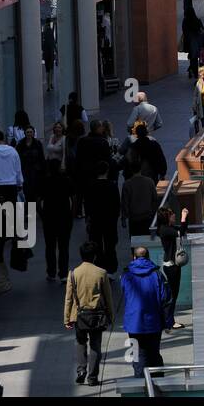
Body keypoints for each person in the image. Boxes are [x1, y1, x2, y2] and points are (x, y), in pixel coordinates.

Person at [64, 241, 114, 387]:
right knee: (95, 345)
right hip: (97, 315)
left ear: (81, 255)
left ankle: (81, 370)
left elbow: (68, 298)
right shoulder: (101, 273)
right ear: (95, 256)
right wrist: (111, 316)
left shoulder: (73, 273)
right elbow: (108, 297)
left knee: (80, 343)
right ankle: (92, 377)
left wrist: (67, 318)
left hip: (79, 315)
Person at [121, 245, 170, 378]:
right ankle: (158, 382)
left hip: (134, 323)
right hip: (154, 322)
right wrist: (168, 322)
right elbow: (165, 299)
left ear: (134, 257)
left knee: (138, 355)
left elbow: (125, 292)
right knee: (154, 353)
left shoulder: (126, 275)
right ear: (148, 256)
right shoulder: (157, 274)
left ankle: (140, 381)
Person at [38, 159, 74, 281]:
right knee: (64, 246)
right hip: (64, 216)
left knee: (50, 246)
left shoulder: (44, 181)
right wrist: (71, 214)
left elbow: (39, 200)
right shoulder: (67, 180)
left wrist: (42, 215)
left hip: (49, 217)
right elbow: (73, 197)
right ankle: (63, 273)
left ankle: (51, 272)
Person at [85, 163, 120, 275]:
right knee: (110, 245)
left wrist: (88, 217)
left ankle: (98, 265)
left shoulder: (91, 185)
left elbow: (87, 203)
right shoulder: (112, 186)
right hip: (109, 219)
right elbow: (117, 204)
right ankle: (111, 268)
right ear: (107, 171)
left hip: (95, 219)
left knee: (96, 244)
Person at [156, 207, 188, 331]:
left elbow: (183, 229)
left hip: (172, 265)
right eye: (171, 214)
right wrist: (183, 217)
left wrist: (185, 219)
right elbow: (181, 232)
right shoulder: (165, 230)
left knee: (173, 294)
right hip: (171, 266)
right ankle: (170, 321)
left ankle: (169, 320)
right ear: (166, 218)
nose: (174, 215)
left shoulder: (168, 228)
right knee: (172, 295)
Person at [121, 162, 158, 237]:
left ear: (131, 170)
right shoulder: (150, 181)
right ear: (141, 169)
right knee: (147, 239)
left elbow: (124, 203)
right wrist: (154, 213)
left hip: (134, 218)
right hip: (147, 217)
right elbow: (155, 199)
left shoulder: (127, 184)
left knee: (135, 240)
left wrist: (123, 218)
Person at [182, 11, 204, 81]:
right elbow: (202, 30)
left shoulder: (185, 21)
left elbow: (184, 31)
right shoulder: (197, 20)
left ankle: (192, 70)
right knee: (198, 57)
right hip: (198, 42)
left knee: (192, 56)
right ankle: (196, 71)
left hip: (189, 41)